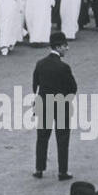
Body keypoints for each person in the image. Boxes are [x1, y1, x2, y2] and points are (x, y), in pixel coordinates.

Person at [32, 30, 76, 180]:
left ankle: (39, 169)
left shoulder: (40, 64)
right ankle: (62, 171)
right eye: (65, 46)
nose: (66, 48)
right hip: (61, 105)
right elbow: (72, 88)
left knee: (42, 137)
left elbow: (35, 85)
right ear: (58, 47)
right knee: (62, 139)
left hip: (44, 104)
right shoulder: (64, 67)